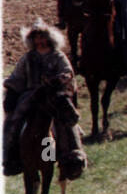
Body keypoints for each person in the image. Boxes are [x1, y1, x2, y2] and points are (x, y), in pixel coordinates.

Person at [3, 21, 86, 180]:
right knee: (15, 118)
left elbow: (68, 74)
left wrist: (60, 81)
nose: (39, 41)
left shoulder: (58, 56)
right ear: (31, 40)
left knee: (67, 119)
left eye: (42, 37)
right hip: (31, 95)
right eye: (36, 38)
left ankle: (73, 156)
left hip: (54, 94)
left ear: (49, 38)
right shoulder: (28, 58)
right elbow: (17, 77)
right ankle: (11, 156)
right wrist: (11, 88)